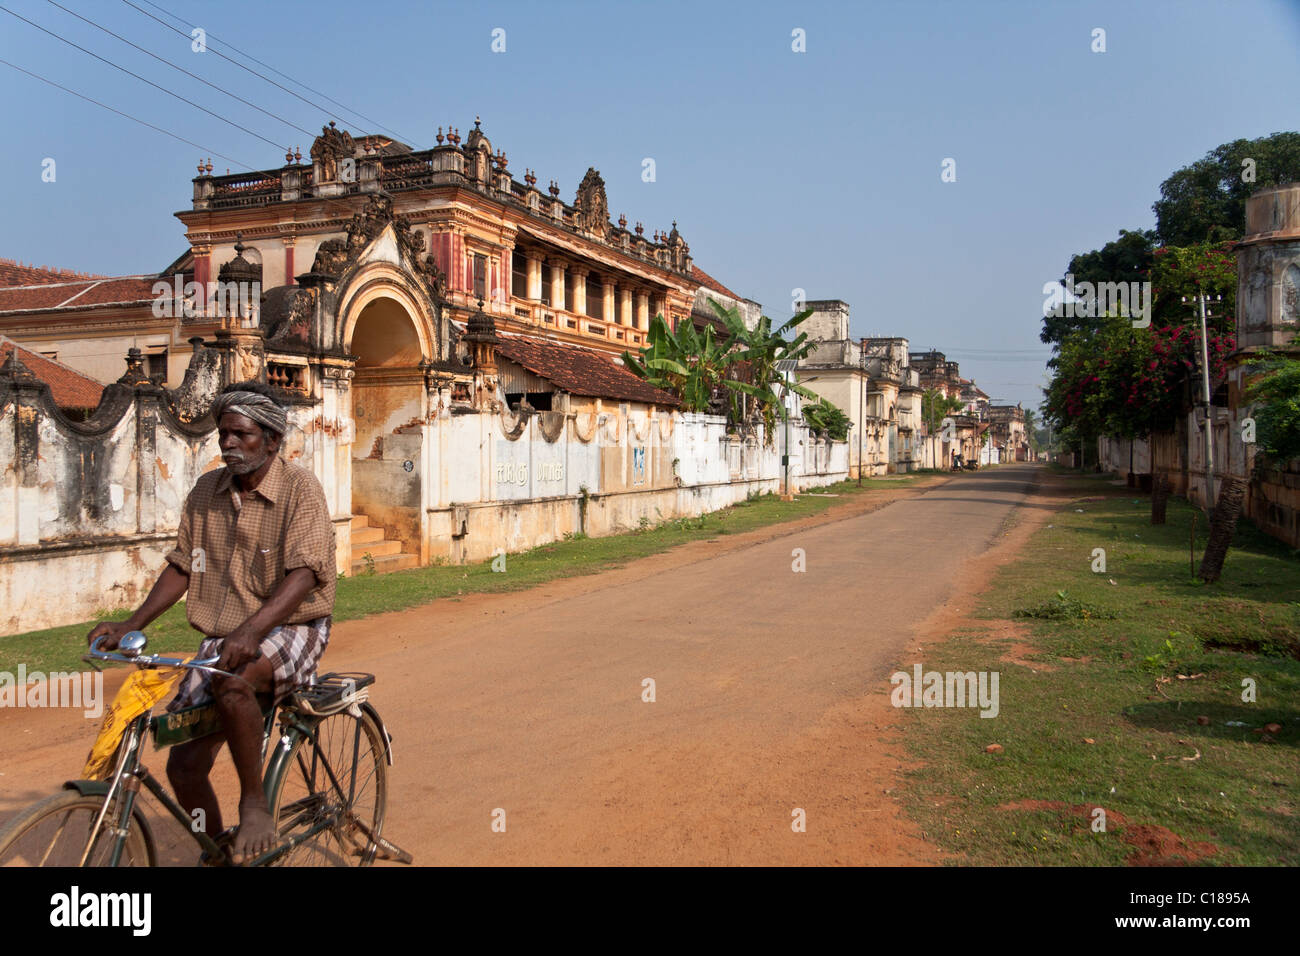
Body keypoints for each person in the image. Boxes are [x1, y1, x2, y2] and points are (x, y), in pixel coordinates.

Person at [88, 381, 336, 864]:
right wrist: (129, 623)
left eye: (240, 434)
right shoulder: (207, 491)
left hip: (295, 625)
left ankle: (254, 804)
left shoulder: (300, 487)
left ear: (271, 440)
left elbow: (305, 574)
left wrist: (251, 631)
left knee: (234, 682)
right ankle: (218, 850)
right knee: (184, 765)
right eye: (223, 434)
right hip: (227, 632)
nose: (228, 443)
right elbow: (184, 565)